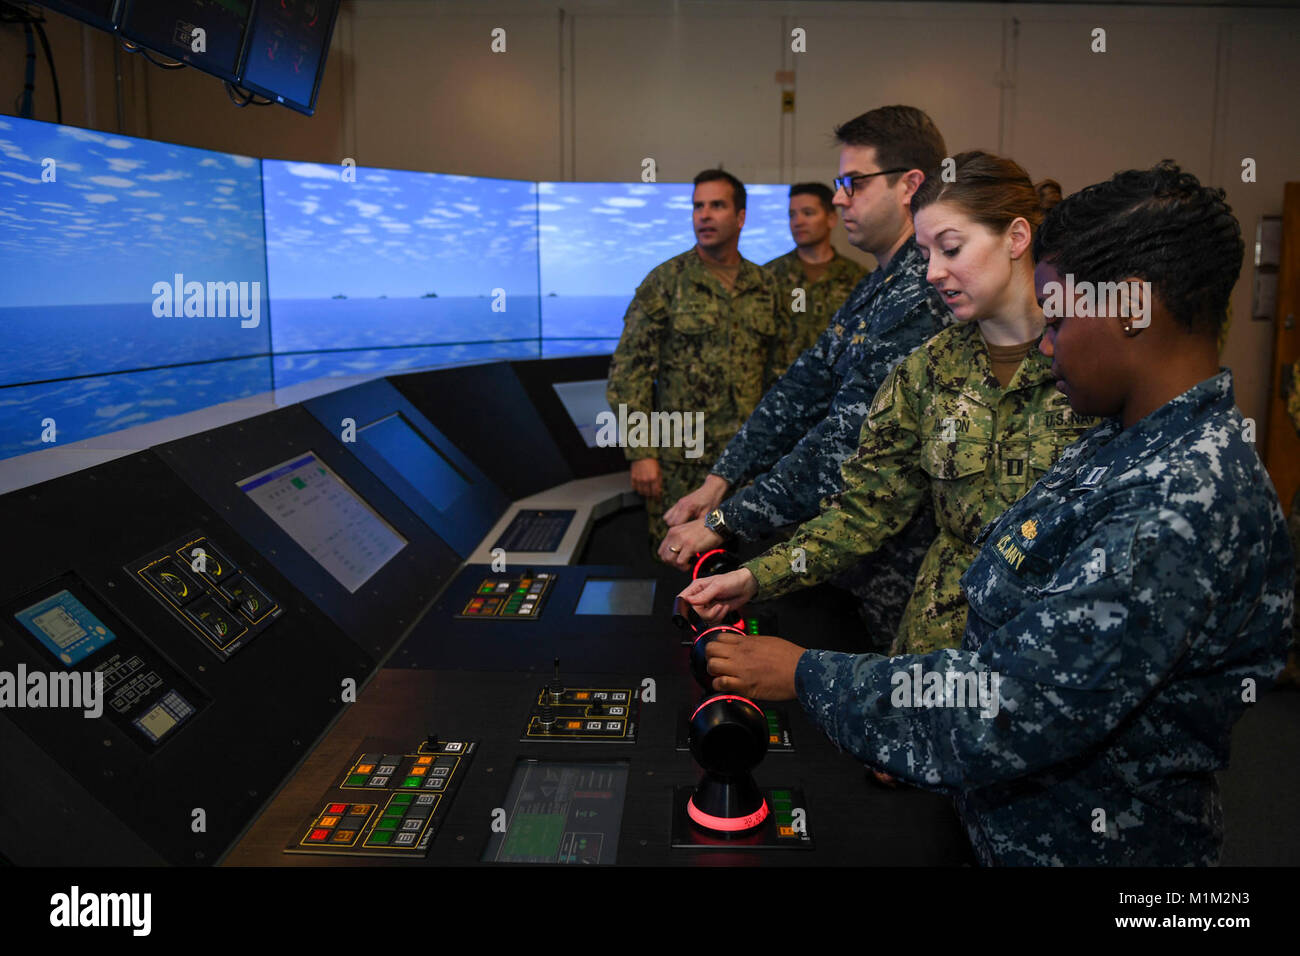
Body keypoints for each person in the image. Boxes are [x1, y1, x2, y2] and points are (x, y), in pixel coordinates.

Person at [693, 162, 1295, 865]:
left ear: (1132, 307)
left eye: (1062, 318)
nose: (1046, 342)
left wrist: (803, 674)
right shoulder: (1125, 441)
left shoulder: (1176, 500)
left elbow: (1012, 705)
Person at [681, 151, 1095, 656]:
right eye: (925, 256)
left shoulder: (1094, 363)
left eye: (951, 248)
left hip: (1052, 653)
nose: (933, 274)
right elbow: (863, 511)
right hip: (937, 652)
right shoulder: (927, 371)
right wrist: (752, 578)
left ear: (1015, 238)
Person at [658, 106, 953, 645]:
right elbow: (801, 387)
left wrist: (723, 521)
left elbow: (846, 440)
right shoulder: (881, 284)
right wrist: (720, 479)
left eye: (853, 183)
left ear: (910, 185)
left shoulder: (923, 292)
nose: (839, 197)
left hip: (906, 577)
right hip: (861, 567)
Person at [606, 169, 782, 553]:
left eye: (716, 205)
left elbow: (779, 375)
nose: (703, 215)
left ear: (740, 217)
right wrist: (641, 453)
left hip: (747, 467)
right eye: (697, 206)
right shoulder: (665, 281)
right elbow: (629, 372)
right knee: (678, 569)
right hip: (682, 467)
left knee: (746, 572)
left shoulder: (766, 285)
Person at [764, 183, 868, 369]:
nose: (798, 222)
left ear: (830, 219)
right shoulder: (768, 276)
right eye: (792, 215)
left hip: (837, 391)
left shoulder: (857, 278)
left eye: (808, 213)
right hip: (781, 390)